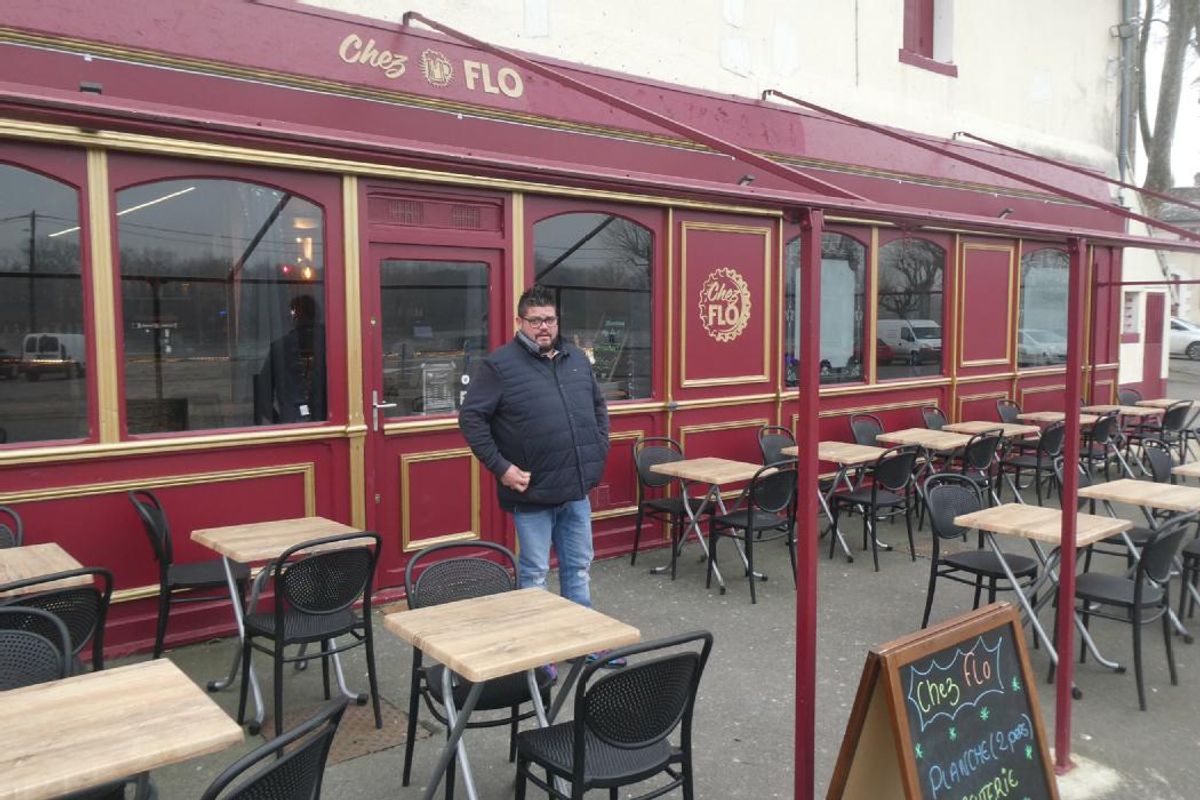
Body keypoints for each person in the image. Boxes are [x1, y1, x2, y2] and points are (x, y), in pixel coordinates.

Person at [459, 285, 610, 612]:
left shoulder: (576, 359)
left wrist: (598, 447)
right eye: (536, 320)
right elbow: (472, 419)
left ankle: (583, 641)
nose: (544, 327)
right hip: (531, 492)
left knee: (579, 569)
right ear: (519, 321)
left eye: (550, 320)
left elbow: (598, 407)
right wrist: (501, 468)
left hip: (576, 489)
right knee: (535, 574)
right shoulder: (499, 366)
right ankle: (539, 656)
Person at [254, 294, 326, 424]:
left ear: (294, 317)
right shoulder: (332, 343)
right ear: (318, 314)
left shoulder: (279, 347)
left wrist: (279, 422)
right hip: (328, 423)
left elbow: (262, 397)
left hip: (292, 424)